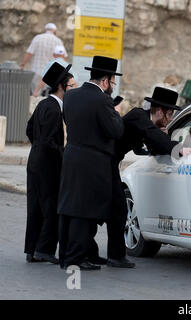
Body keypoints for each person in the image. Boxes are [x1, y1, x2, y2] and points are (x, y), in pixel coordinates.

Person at [103, 87, 191, 268]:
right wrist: (178, 147)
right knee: (112, 208)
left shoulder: (149, 124)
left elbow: (152, 145)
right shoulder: (139, 116)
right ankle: (109, 255)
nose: (170, 120)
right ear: (159, 111)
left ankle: (115, 256)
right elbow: (151, 135)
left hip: (110, 163)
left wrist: (164, 137)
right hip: (101, 163)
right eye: (169, 115)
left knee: (116, 209)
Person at [57, 56, 124, 271]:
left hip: (71, 155)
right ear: (105, 80)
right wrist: (116, 115)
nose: (112, 87)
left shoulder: (71, 96)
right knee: (84, 211)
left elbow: (71, 121)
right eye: (112, 82)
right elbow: (115, 131)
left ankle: (67, 255)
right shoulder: (103, 101)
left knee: (69, 207)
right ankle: (76, 259)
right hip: (92, 162)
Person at [24, 62, 75, 263]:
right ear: (61, 87)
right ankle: (44, 250)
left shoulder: (44, 104)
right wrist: (63, 157)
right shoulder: (54, 109)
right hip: (48, 166)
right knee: (50, 208)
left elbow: (30, 129)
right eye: (72, 86)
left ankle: (32, 249)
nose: (74, 90)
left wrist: (36, 148)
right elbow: (49, 142)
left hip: (35, 162)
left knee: (35, 207)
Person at [20, 23, 67, 94]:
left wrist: (22, 64)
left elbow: (29, 53)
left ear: (45, 30)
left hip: (37, 71)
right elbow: (63, 57)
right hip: (52, 72)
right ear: (54, 31)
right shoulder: (58, 41)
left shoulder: (38, 38)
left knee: (35, 93)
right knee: (47, 94)